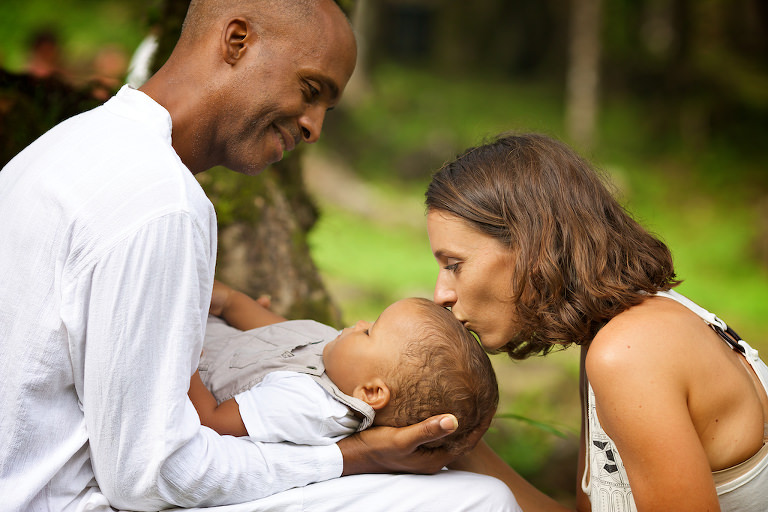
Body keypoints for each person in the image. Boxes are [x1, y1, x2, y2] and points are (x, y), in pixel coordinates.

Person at [0, 1, 520, 510]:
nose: (315, 126)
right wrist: (355, 455)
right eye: (311, 90)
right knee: (480, 498)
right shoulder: (162, 202)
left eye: (327, 109)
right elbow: (151, 478)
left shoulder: (69, 145)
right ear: (237, 41)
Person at [424, 132, 768, 511]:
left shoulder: (628, 353)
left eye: (455, 265)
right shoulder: (622, 330)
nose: (441, 294)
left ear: (531, 246)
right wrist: (461, 445)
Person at [189, 281, 499, 457]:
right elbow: (279, 331)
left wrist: (181, 357)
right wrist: (229, 301)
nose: (360, 323)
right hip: (204, 328)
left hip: (184, 370)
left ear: (371, 391)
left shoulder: (308, 405)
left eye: (370, 331)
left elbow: (211, 422)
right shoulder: (338, 357)